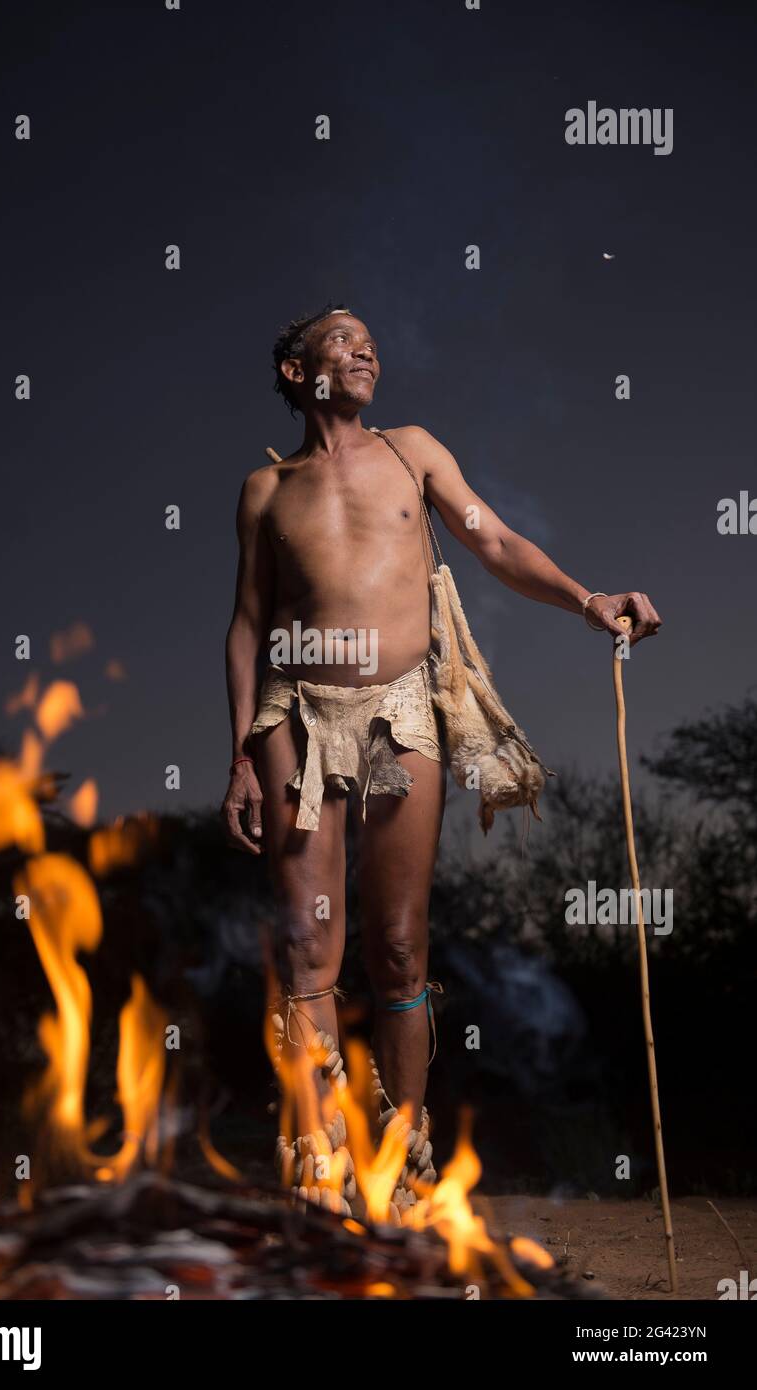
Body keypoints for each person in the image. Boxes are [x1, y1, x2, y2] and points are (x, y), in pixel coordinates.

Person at [222, 303, 661, 1209]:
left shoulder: (411, 450)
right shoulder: (264, 492)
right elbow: (246, 626)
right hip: (293, 714)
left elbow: (491, 539)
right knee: (308, 945)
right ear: (300, 373)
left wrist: (589, 600)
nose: (363, 349)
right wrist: (237, 757)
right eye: (340, 341)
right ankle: (314, 1169)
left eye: (368, 341)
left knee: (395, 945)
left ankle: (404, 1163)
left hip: (400, 712)